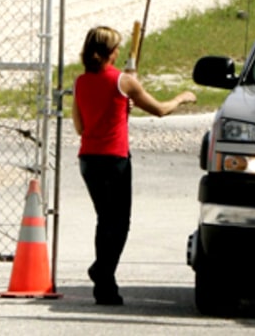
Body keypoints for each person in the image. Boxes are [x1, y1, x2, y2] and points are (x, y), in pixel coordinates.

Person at [72, 26, 197, 305]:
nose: (118, 52)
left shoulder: (80, 82)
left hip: (88, 159)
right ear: (110, 53)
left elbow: (80, 127)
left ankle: (104, 280)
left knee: (105, 219)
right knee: (119, 223)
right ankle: (103, 273)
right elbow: (161, 109)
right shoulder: (123, 82)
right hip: (114, 159)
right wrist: (182, 97)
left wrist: (120, 101)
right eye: (116, 48)